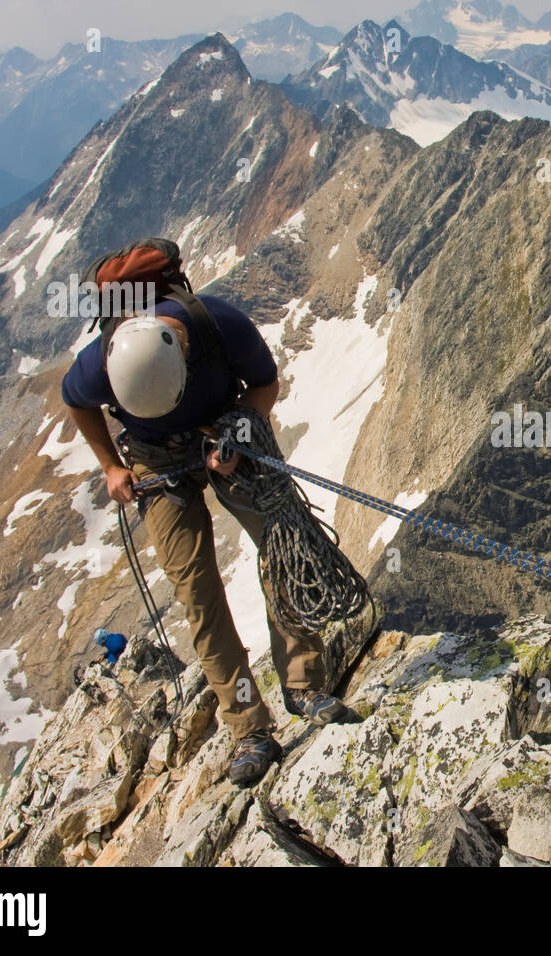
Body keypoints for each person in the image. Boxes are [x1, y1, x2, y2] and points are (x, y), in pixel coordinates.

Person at [61, 287, 346, 786]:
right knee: (198, 592)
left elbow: (264, 384)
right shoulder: (99, 364)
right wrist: (110, 465)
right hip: (155, 460)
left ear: (183, 354)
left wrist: (235, 433)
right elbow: (75, 401)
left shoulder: (218, 323)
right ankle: (249, 729)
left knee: (282, 546)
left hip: (224, 428)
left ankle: (304, 684)